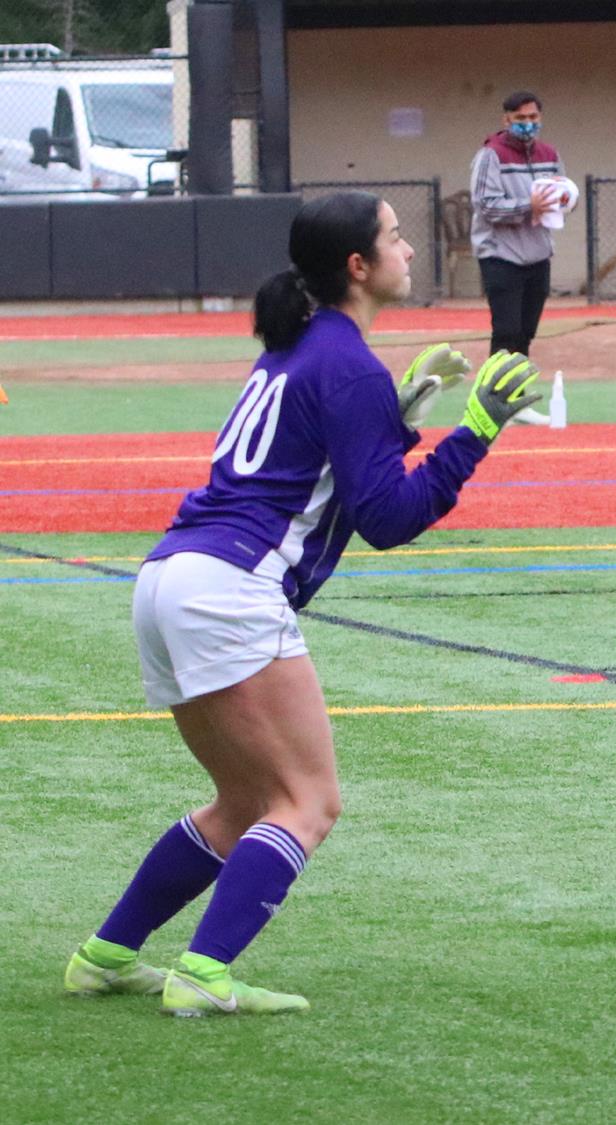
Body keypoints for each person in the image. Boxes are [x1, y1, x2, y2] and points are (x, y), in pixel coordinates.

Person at [61, 191, 544, 1016]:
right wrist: (478, 429)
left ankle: (105, 955)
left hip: (169, 575)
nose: (409, 251)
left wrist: (401, 411)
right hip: (228, 588)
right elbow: (387, 518)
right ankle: (203, 973)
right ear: (358, 266)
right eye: (395, 238)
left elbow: (314, 469)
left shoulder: (301, 346)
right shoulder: (346, 359)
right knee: (309, 801)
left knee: (244, 801)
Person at [472, 90, 565, 358]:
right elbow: (486, 205)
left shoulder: (550, 154)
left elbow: (563, 194)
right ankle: (495, 395)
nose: (528, 122)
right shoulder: (491, 155)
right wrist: (528, 206)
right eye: (520, 117)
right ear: (506, 120)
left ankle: (517, 394)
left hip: (538, 256)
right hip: (501, 256)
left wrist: (568, 199)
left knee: (526, 333)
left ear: (541, 117)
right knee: (506, 332)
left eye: (533, 116)